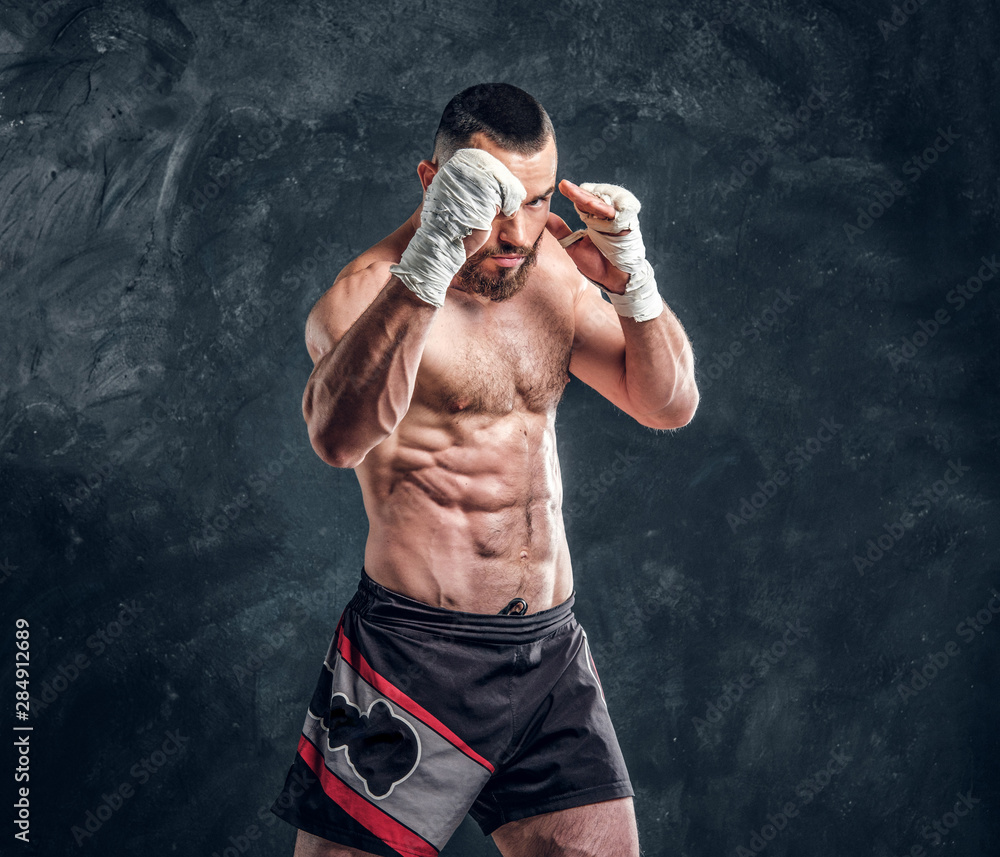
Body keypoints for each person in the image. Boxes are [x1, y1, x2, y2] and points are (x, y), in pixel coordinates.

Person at [272, 82, 698, 857]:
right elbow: (336, 438)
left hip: (547, 651)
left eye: (534, 201)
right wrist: (433, 259)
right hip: (414, 654)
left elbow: (666, 403)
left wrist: (635, 281)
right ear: (434, 184)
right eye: (491, 199)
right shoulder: (365, 294)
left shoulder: (553, 276)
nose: (514, 229)